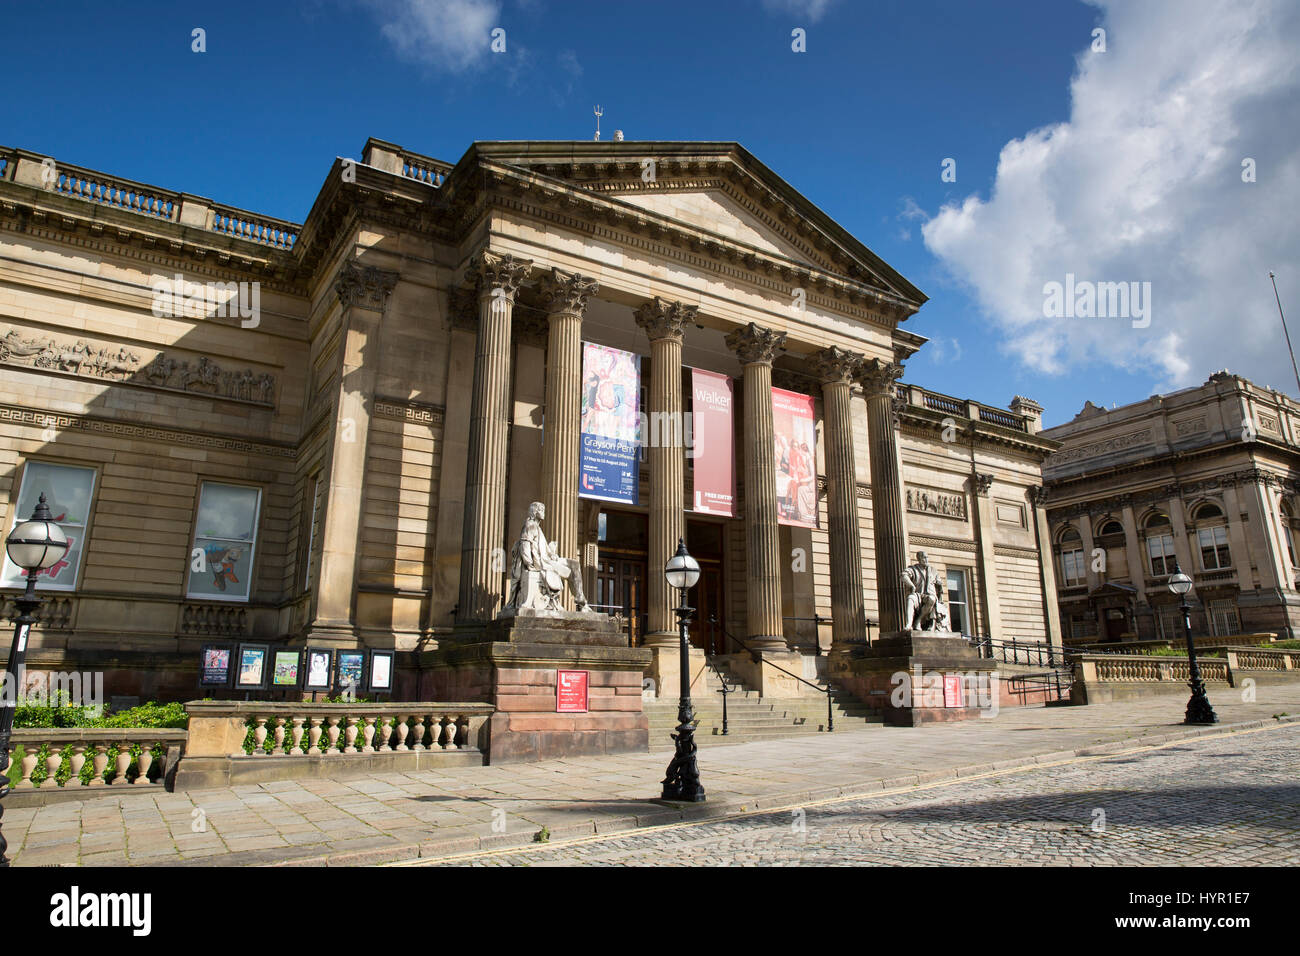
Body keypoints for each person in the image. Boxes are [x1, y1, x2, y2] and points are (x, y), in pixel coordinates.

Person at [901, 550, 950, 631]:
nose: (926, 559)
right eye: (924, 557)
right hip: (918, 594)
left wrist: (939, 585)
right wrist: (911, 585)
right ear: (919, 559)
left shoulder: (933, 571)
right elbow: (904, 575)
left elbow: (939, 585)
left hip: (929, 595)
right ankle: (909, 624)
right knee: (910, 598)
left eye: (927, 557)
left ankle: (918, 620)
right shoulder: (913, 569)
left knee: (932, 599)